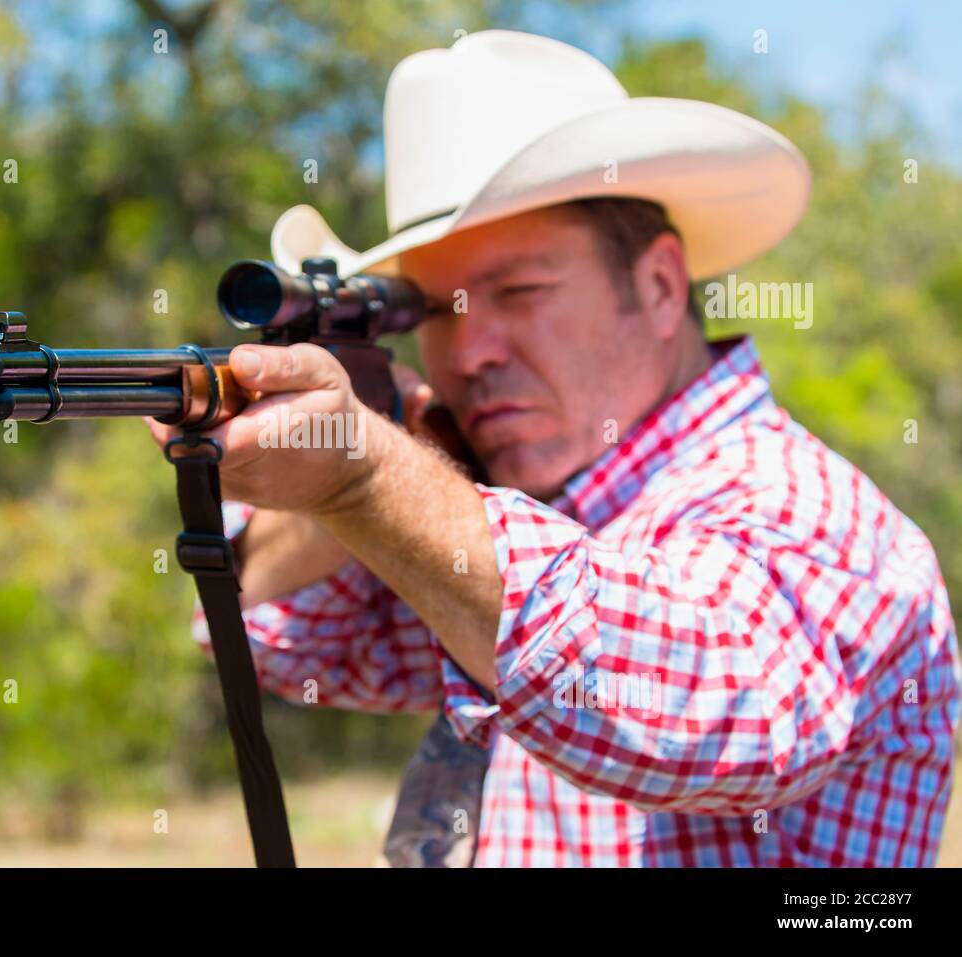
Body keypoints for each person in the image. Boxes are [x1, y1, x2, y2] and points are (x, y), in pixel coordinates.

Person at [147, 30, 960, 866]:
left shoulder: (805, 506)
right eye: (437, 311)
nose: (471, 352)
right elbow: (281, 633)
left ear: (657, 284)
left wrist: (369, 475)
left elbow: (684, 703)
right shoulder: (522, 509)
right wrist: (351, 471)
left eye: (520, 291)